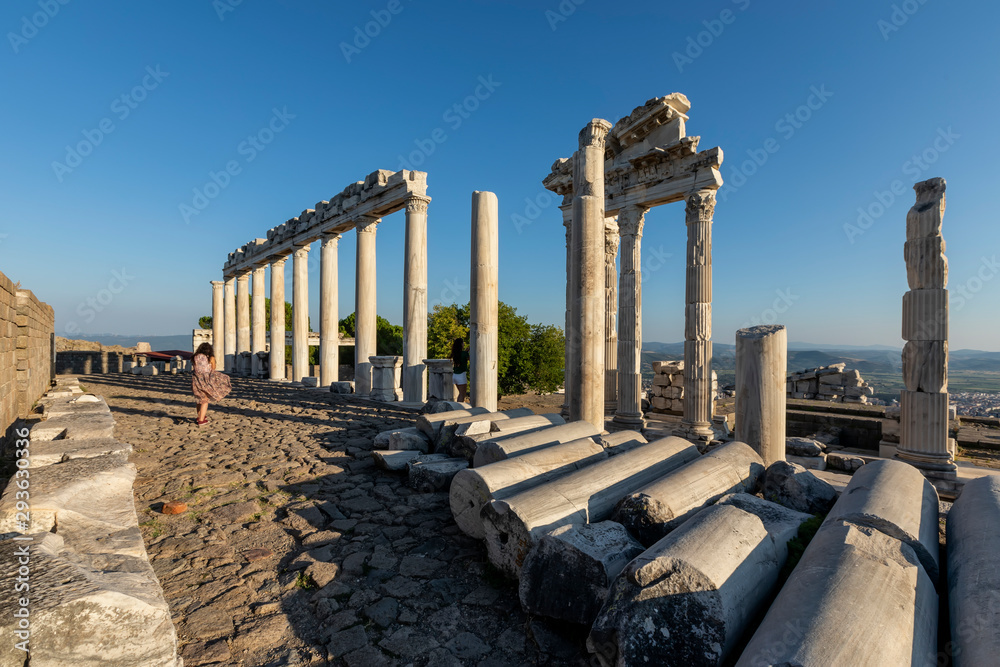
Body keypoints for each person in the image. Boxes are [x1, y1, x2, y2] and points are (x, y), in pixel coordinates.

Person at [191, 342, 231, 425]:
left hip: (196, 379)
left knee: (199, 399)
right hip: (206, 379)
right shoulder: (210, 357)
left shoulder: (194, 357)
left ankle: (199, 416)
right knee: (205, 400)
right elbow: (213, 368)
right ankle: (201, 420)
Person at [451, 337, 470, 402]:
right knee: (462, 394)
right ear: (461, 344)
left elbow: (461, 356)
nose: (464, 344)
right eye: (463, 343)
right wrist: (467, 352)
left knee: (460, 394)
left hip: (455, 375)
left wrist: (465, 352)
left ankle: (458, 407)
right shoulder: (464, 354)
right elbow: (470, 359)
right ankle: (458, 409)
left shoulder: (455, 354)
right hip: (461, 375)